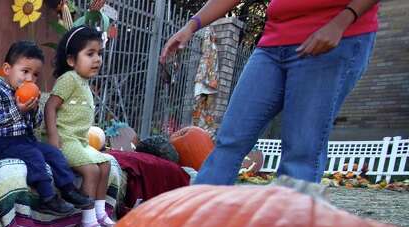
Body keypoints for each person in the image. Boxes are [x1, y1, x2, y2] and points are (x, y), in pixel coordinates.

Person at [161, 0, 381, 185]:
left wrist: (342, 20)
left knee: (302, 149)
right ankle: (196, 222)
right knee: (230, 140)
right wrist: (192, 25)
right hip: (273, 42)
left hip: (332, 36)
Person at [0, 41, 93, 216]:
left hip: (26, 140)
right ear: (7, 69)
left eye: (35, 75)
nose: (29, 79)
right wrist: (17, 111)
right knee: (34, 156)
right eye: (25, 71)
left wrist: (34, 111)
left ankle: (68, 189)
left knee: (53, 152)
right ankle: (47, 197)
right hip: (2, 144)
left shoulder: (29, 95)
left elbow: (35, 124)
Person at [45, 26, 117, 227]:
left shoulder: (84, 83)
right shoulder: (69, 79)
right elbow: (50, 106)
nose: (97, 59)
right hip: (65, 138)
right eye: (90, 54)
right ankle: (86, 221)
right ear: (71, 60)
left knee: (106, 165)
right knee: (92, 171)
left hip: (80, 141)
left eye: (99, 54)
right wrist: (53, 137)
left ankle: (99, 211)